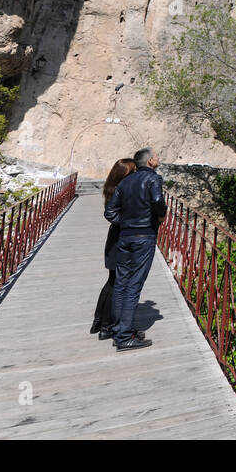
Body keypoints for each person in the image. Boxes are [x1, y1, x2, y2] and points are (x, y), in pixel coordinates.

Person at [104, 147, 166, 351]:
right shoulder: (153, 179)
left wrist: (127, 222)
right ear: (150, 162)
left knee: (121, 282)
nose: (158, 158)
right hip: (143, 237)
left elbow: (110, 211)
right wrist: (159, 218)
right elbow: (158, 201)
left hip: (124, 237)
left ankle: (120, 329)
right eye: (156, 156)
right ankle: (124, 337)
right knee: (134, 284)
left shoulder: (125, 182)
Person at [91, 157, 137, 339]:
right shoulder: (121, 190)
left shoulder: (113, 189)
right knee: (117, 283)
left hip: (115, 240)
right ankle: (107, 326)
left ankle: (101, 323)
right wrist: (130, 223)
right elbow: (110, 214)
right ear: (124, 175)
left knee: (112, 282)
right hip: (120, 240)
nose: (136, 174)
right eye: (132, 172)